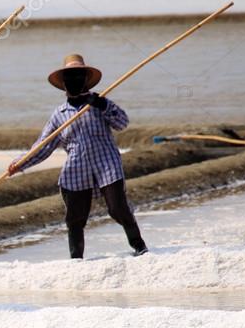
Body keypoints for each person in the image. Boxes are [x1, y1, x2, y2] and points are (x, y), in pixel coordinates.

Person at [9, 54, 148, 259]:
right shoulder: (60, 115)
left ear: (85, 79)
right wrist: (19, 163)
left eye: (78, 75)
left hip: (107, 164)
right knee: (75, 219)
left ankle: (140, 247)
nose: (74, 80)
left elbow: (122, 123)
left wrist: (102, 104)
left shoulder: (99, 103)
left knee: (118, 209)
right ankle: (76, 259)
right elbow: (43, 146)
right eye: (70, 77)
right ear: (63, 83)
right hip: (77, 169)